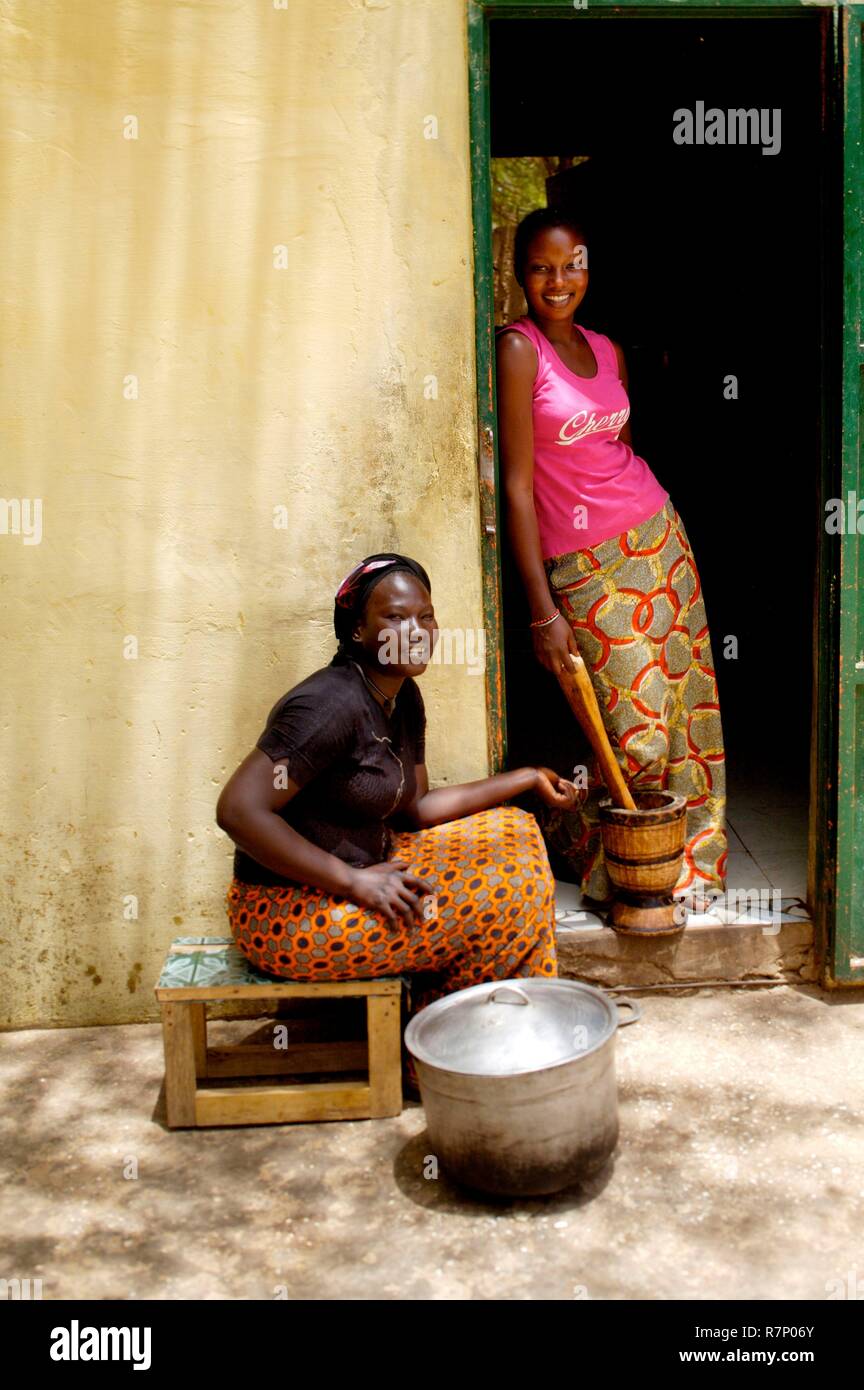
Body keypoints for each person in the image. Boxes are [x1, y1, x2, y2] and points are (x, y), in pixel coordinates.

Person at [216, 553, 577, 1087]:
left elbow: (416, 808)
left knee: (517, 838)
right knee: (509, 898)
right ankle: (448, 1059)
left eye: (426, 618)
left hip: (361, 878)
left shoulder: (401, 697)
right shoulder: (329, 705)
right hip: (286, 913)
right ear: (358, 629)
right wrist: (353, 881)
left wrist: (524, 780)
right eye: (395, 618)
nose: (416, 632)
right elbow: (238, 809)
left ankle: (487, 1030)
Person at [495, 207, 727, 914]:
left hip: (659, 539)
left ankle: (691, 864)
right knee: (633, 729)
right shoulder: (517, 349)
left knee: (690, 713)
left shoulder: (609, 349)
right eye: (541, 267)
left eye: (572, 265)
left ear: (589, 269)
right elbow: (517, 484)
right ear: (520, 274)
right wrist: (541, 610)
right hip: (586, 566)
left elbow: (616, 450)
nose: (557, 280)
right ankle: (614, 863)